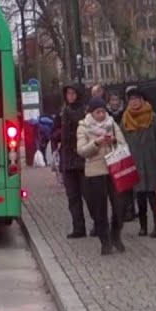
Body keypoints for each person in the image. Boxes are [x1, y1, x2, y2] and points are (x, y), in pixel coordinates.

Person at [76, 97, 128, 255]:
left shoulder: (111, 123)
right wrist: (97, 143)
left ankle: (115, 233)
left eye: (103, 111)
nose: (101, 115)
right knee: (99, 210)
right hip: (95, 172)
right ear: (92, 113)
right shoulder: (83, 127)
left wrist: (113, 141)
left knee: (120, 206)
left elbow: (123, 143)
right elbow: (82, 150)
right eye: (98, 112)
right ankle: (105, 241)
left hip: (114, 170)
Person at [121, 85, 156, 237]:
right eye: (131, 100)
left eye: (136, 99)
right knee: (139, 197)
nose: (133, 102)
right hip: (135, 163)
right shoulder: (125, 119)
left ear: (142, 100)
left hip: (151, 161)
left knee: (152, 195)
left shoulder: (153, 117)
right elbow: (122, 143)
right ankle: (143, 226)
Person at [56, 82, 92, 238]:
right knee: (72, 197)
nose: (70, 96)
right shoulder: (63, 111)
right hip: (68, 159)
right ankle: (79, 227)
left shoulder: (84, 111)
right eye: (68, 94)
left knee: (89, 195)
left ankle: (98, 224)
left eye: (73, 93)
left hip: (82, 158)